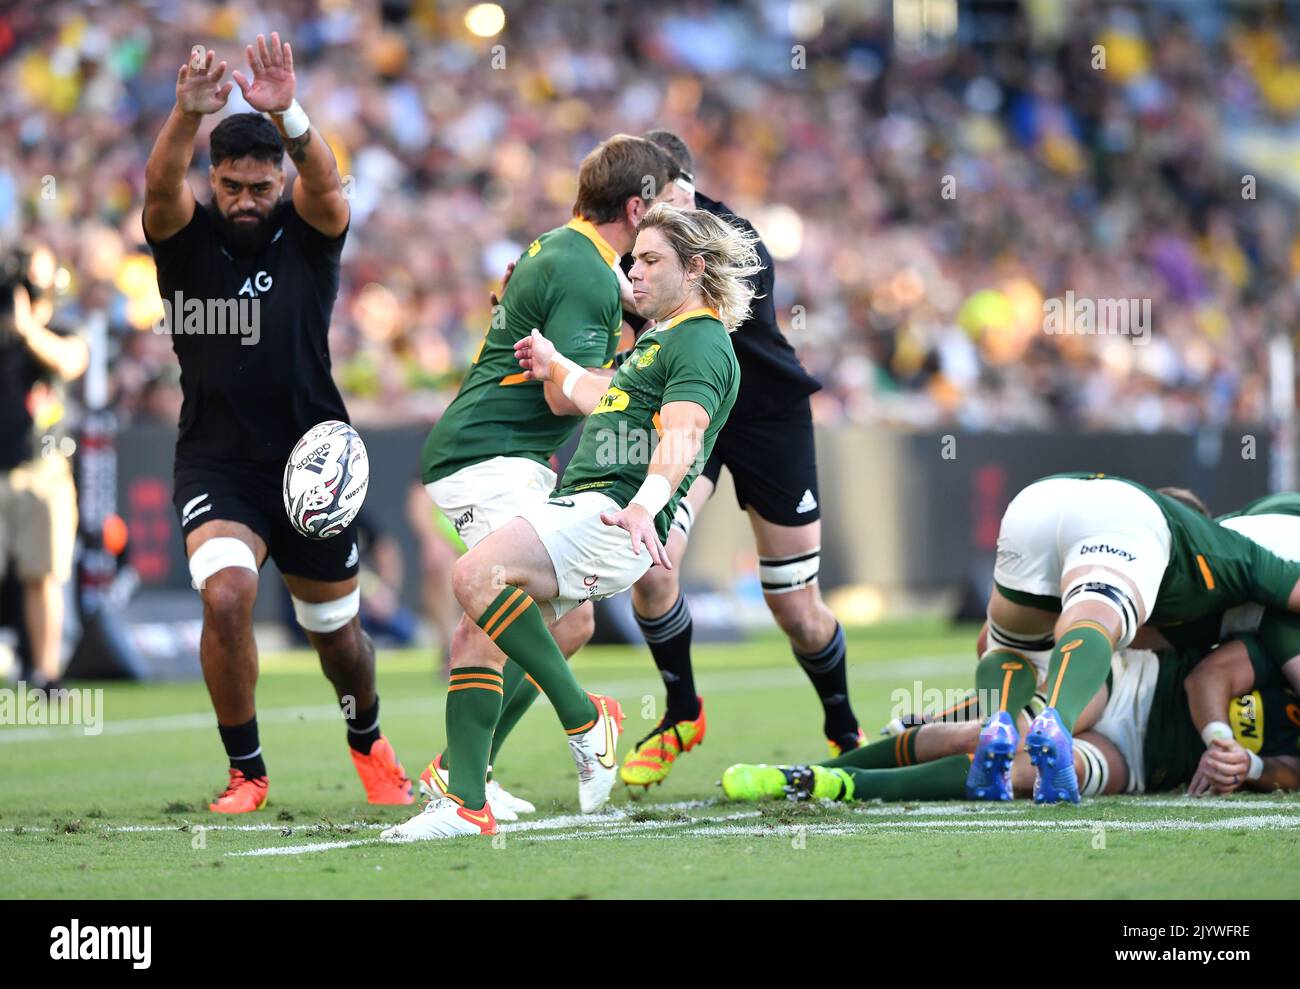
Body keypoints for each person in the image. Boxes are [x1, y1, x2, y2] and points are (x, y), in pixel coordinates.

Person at [381, 203, 758, 839]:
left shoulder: (701, 340)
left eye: (651, 260)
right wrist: (555, 363)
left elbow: (684, 434)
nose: (633, 271)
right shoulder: (665, 338)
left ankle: (585, 717)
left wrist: (645, 504)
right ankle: (465, 802)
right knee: (476, 635)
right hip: (586, 507)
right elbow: (599, 398)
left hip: (612, 514)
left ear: (695, 268)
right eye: (633, 258)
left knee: (476, 575)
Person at [142, 34, 411, 813]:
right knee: (225, 596)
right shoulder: (186, 241)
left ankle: (367, 737)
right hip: (218, 461)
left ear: (278, 179)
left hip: (312, 464)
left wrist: (289, 112)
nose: (247, 199)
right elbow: (158, 186)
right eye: (232, 185)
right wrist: (185, 114)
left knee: (338, 637)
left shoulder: (308, 233)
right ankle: (247, 769)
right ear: (214, 179)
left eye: (261, 185)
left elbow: (329, 183)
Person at [413, 135, 678, 819]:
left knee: (568, 619)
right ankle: (573, 725)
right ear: (636, 204)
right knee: (488, 601)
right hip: (490, 453)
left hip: (494, 451)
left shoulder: (568, 250)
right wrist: (643, 380)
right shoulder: (588, 270)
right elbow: (565, 396)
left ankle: (465, 768)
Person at [614, 131, 862, 791]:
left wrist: (621, 294)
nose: (638, 227)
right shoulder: (635, 249)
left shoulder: (734, 239)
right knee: (652, 564)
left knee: (795, 607)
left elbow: (687, 314)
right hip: (691, 415)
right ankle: (681, 713)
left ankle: (845, 729)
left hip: (765, 418)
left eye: (652, 203)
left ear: (681, 192)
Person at [966, 472, 1300, 804]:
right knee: (1097, 619)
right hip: (1134, 527)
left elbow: (988, 644)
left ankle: (967, 727)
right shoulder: (1237, 560)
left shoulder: (1233, 553)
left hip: (1037, 498)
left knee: (1012, 652)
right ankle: (1055, 722)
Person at [722, 638, 1300, 804]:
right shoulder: (1287, 654)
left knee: (1023, 775)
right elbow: (1210, 678)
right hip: (1136, 687)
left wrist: (1246, 765)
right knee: (996, 735)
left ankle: (834, 785)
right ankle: (816, 768)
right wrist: (1219, 737)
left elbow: (1287, 772)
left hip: (1148, 763)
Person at [0, 243, 87, 691]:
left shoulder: (60, 328)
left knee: (43, 575)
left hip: (44, 466)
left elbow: (71, 362)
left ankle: (45, 674)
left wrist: (28, 328)